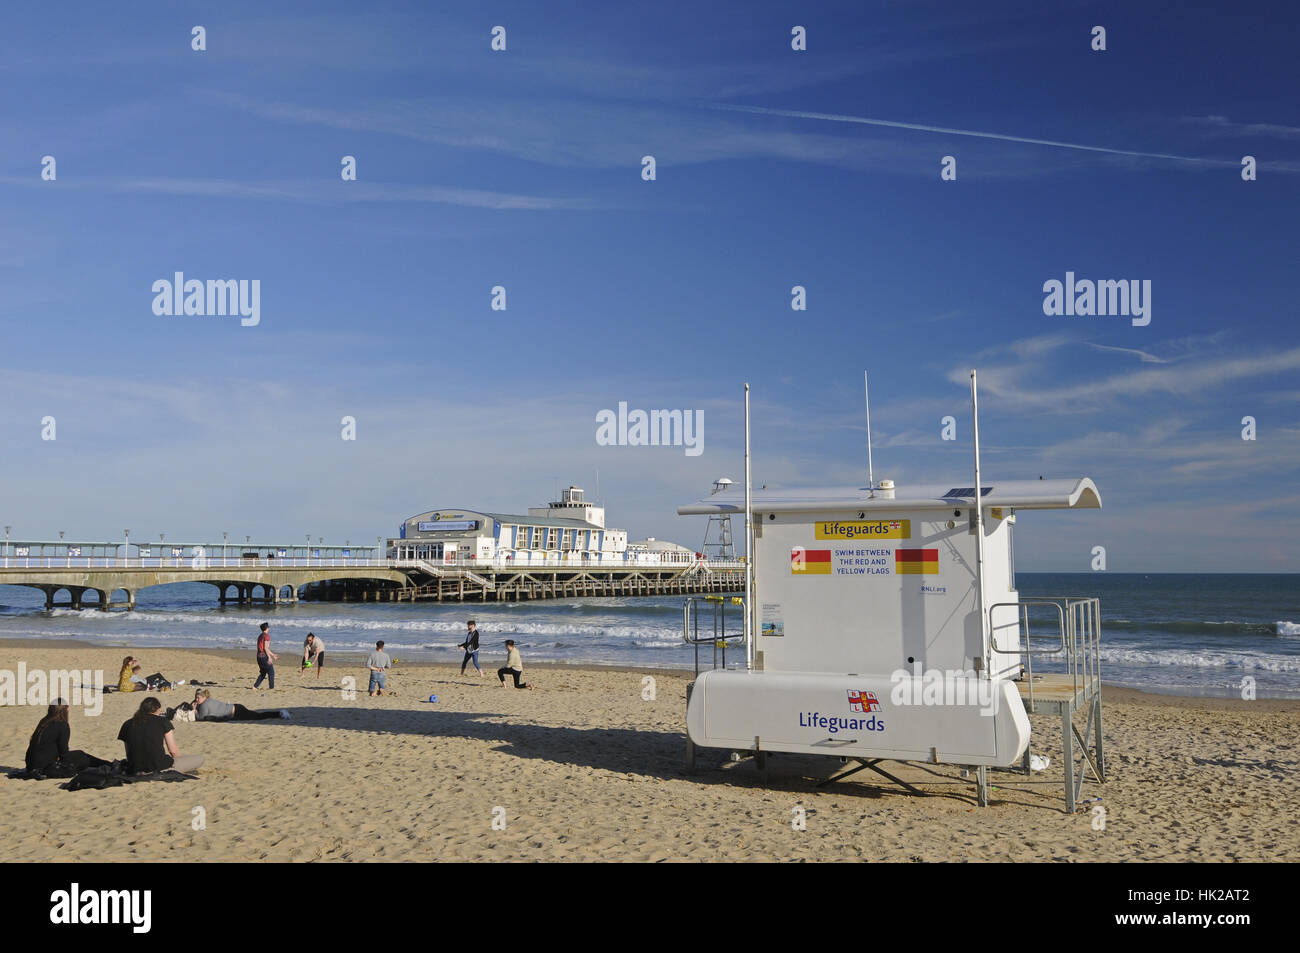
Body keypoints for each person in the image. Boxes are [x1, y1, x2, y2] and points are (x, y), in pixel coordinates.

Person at [117, 697, 204, 774]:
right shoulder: (163, 722)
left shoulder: (127, 724)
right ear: (157, 709)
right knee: (200, 759)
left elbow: (128, 753)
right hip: (159, 766)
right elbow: (173, 751)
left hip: (134, 768)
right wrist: (179, 761)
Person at [24, 700, 110, 776]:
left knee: (80, 755)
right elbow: (63, 752)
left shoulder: (44, 721)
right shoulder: (62, 724)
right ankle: (109, 765)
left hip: (31, 765)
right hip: (45, 766)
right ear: (64, 710)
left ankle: (107, 764)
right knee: (82, 756)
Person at [193, 689, 288, 722]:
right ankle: (279, 713)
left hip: (237, 711)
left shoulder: (204, 705)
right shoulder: (208, 700)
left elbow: (200, 718)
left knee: (258, 716)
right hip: (236, 708)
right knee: (257, 715)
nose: (197, 700)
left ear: (204, 697)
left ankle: (279, 713)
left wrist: (194, 710)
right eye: (196, 698)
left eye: (198, 698)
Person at [253, 622, 278, 689]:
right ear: (267, 628)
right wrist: (269, 657)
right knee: (271, 672)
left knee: (263, 673)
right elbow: (265, 648)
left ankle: (255, 687)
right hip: (263, 657)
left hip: (259, 657)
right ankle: (271, 688)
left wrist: (273, 655)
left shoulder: (260, 636)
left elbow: (264, 648)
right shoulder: (266, 636)